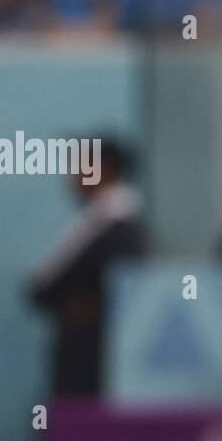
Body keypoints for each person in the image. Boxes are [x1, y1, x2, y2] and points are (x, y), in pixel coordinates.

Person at [27, 138, 145, 397]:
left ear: (104, 169)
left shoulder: (119, 229)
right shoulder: (96, 223)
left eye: (82, 165)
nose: (73, 175)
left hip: (96, 365)